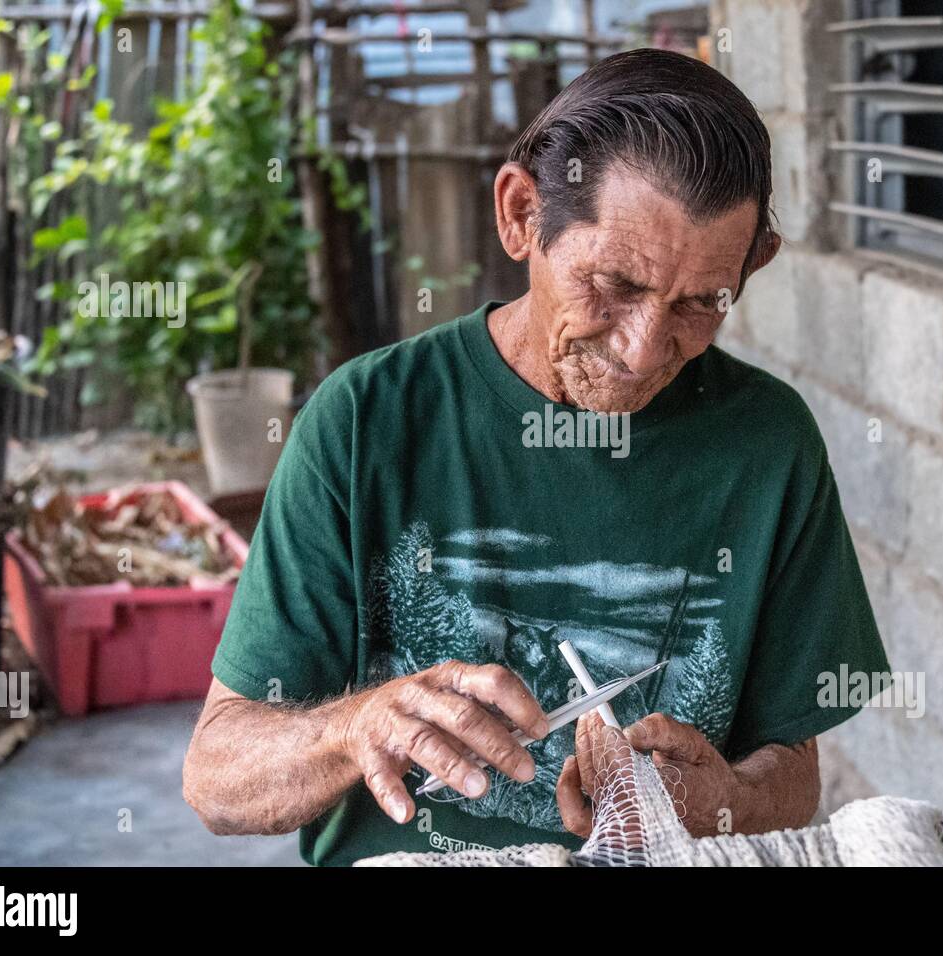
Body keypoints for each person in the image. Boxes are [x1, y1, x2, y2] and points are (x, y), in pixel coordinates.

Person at [183, 47, 890, 866]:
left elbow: (792, 773)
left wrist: (726, 802)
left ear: (752, 265)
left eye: (703, 303)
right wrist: (358, 727)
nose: (644, 349)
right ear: (521, 214)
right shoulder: (364, 421)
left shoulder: (768, 442)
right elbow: (217, 781)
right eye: (614, 285)